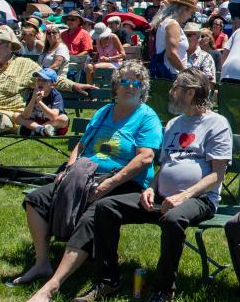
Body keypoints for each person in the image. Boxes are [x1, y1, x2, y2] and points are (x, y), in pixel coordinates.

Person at [25, 70, 228, 302]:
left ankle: (163, 288)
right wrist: (151, 187)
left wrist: (183, 197)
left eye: (176, 89)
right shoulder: (173, 124)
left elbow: (217, 175)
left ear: (190, 93)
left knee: (173, 219)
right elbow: (166, 166)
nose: (171, 93)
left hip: (199, 199)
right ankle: (108, 280)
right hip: (160, 195)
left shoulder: (216, 124)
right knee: (105, 208)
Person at [10, 61, 163, 290]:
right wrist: (68, 171)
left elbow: (145, 158)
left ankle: (53, 285)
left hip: (124, 181)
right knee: (36, 200)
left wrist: (109, 184)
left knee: (92, 216)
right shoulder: (103, 112)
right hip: (85, 174)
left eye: (136, 83)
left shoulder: (147, 117)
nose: (130, 86)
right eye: (124, 81)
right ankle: (42, 262)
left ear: (143, 89)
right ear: (115, 86)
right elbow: (81, 145)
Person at [12, 68, 69, 137]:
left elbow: (53, 117)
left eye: (44, 80)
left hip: (52, 124)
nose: (40, 82)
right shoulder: (33, 93)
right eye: (38, 79)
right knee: (15, 116)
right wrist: (33, 99)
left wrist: (39, 101)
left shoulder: (55, 95)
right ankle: (41, 130)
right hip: (36, 122)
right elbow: (25, 116)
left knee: (63, 119)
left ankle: (34, 130)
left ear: (53, 84)